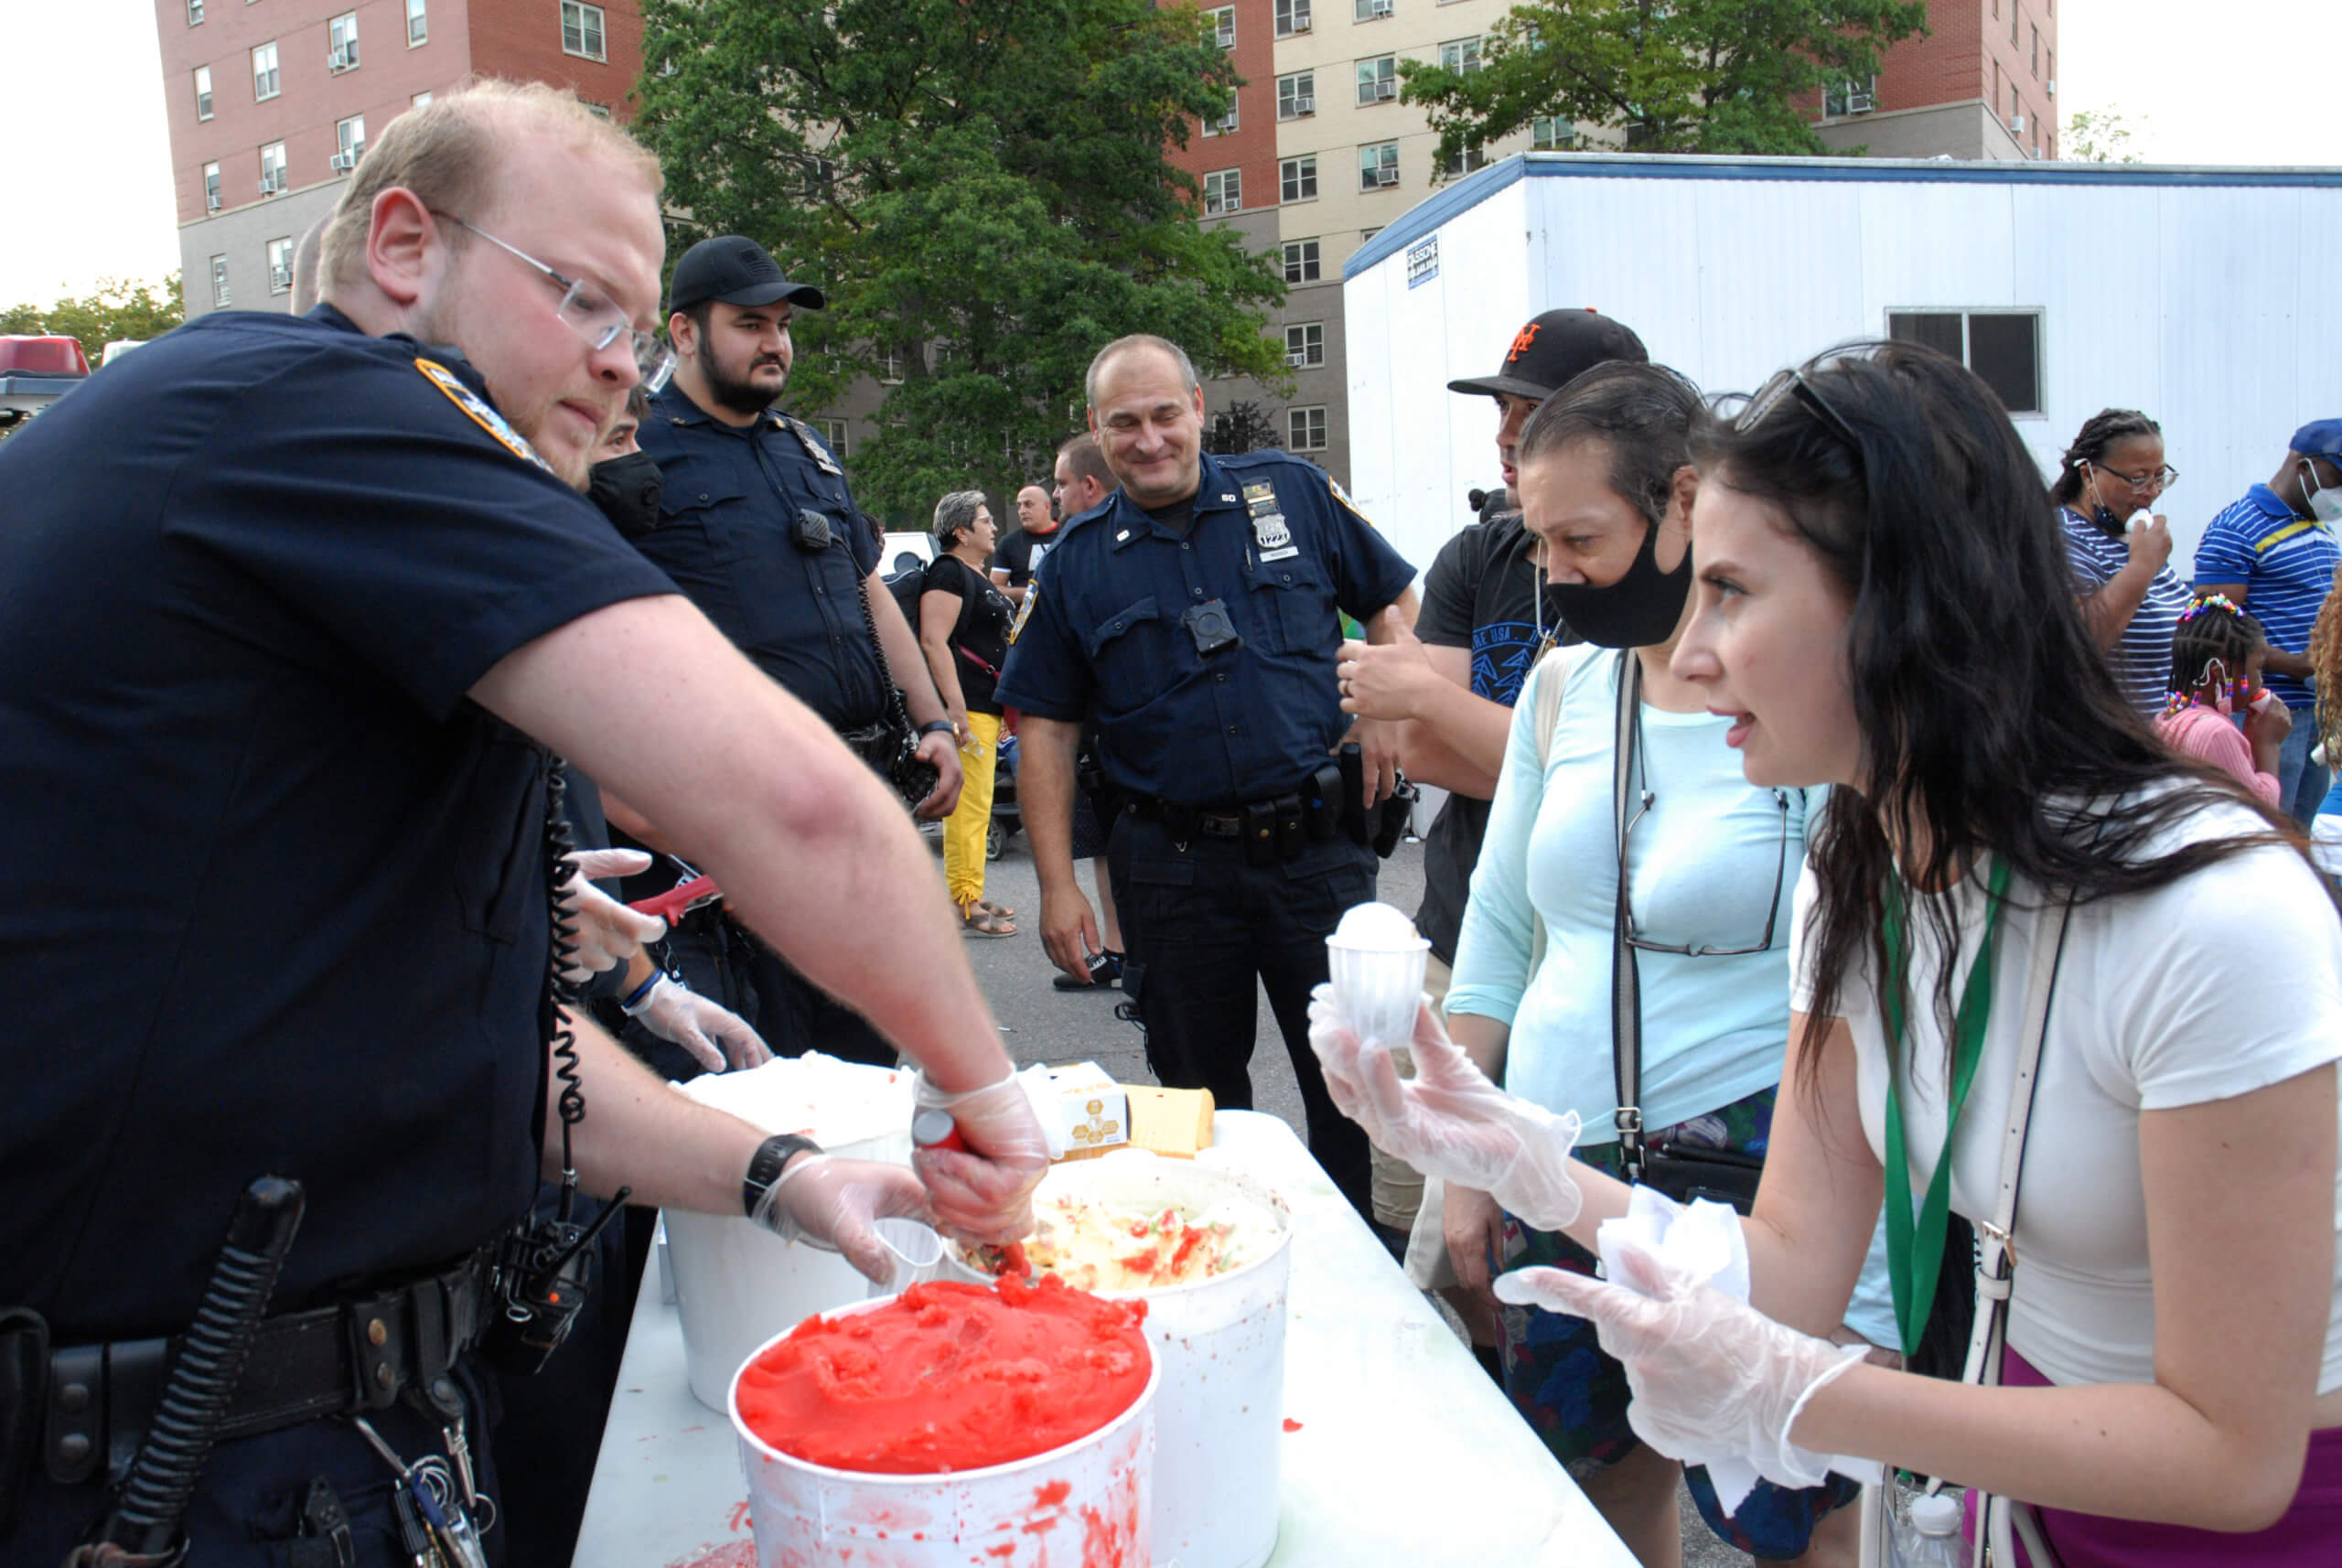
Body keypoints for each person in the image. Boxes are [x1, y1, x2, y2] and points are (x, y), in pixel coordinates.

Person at [0, 83, 1047, 1563]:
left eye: (638, 320)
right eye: (585, 301)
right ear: (407, 246)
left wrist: (780, 1173)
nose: (624, 365)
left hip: (283, 1435)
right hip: (182, 1469)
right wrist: (994, 1109)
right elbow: (803, 806)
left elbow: (484, 1065)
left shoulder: (279, 490)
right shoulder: (324, 407)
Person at [1313, 341, 2342, 1563]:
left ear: (1901, 601)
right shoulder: (1861, 861)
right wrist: (1534, 1168)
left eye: (1732, 593)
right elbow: (1794, 1264)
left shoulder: (2216, 915)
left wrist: (1806, 1394)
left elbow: (2234, 1454)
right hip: (2023, 1499)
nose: (1689, 659)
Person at [1428, 361, 1896, 1567]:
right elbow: (1496, 933)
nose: (1559, 575)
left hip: (1757, 1166)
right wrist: (1468, 1164)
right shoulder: (1561, 691)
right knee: (1596, 1498)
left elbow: (1867, 985)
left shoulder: (1803, 706)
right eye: (1539, 547)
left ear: (1683, 504)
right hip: (1562, 1160)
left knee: (1796, 1520)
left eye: (1582, 537)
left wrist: (1876, 1267)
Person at [995, 334, 1420, 1216]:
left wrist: (1386, 703)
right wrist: (1056, 886)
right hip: (1173, 873)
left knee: (1355, 1089)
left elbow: (1389, 598)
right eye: (1124, 424)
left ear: (1196, 405)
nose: (1148, 439)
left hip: (1317, 856)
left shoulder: (1292, 493)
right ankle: (1226, 1268)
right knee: (1197, 1110)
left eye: (1163, 415)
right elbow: (1045, 730)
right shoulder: (1074, 563)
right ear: (1095, 430)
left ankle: (1362, 1281)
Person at [1333, 306, 1646, 1273]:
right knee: (1424, 1217)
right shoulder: (1479, 554)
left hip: (1589, 971)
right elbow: (1422, 753)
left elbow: (1607, 786)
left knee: (1557, 1230)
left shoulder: (1650, 583)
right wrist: (1495, 741)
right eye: (1503, 409)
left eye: (1533, 409)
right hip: (1466, 925)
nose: (1509, 435)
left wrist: (1428, 693)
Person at [615, 232, 968, 1069]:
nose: (776, 343)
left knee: (867, 1066)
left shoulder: (807, 451)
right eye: (750, 324)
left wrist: (936, 721)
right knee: (756, 1086)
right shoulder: (632, 452)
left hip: (854, 804)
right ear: (685, 332)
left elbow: (868, 588)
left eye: (782, 325)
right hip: (730, 828)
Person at [2194, 419, 2342, 825]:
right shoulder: (2238, 527)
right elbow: (2212, 623)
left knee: (2303, 832)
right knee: (2269, 828)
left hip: (2316, 710)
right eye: (2338, 477)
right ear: (2303, 466)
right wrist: (2291, 664)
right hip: (2268, 711)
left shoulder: (2319, 527)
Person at [1039, 431, 1128, 991]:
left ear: (1089, 486)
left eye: (1061, 484)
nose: (1055, 495)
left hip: (1100, 732)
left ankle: (1119, 946)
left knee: (1108, 842)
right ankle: (1123, 945)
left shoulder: (1077, 548)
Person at [919, 489, 1019, 936]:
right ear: (961, 531)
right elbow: (934, 640)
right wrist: (955, 708)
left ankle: (969, 892)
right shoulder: (948, 571)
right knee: (969, 807)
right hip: (970, 706)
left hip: (986, 706)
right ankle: (964, 902)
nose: (994, 526)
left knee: (979, 804)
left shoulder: (971, 573)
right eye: (984, 520)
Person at [2047, 408, 2191, 715]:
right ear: (2088, 474)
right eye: (2138, 480)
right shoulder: (2062, 538)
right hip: (2113, 748)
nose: (2151, 492)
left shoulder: (2135, 539)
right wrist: (2141, 569)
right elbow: (2079, 644)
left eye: (2159, 477)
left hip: (2165, 742)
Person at [2155, 595, 2287, 805]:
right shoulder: (2217, 733)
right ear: (2220, 672)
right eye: (2258, 669)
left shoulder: (2166, 719)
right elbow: (2257, 812)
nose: (2260, 681)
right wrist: (2267, 744)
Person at [992, 479, 1059, 607]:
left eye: (1029, 504)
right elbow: (995, 589)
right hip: (1027, 620)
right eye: (1019, 505)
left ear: (1047, 506)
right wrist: (1031, 593)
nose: (1022, 511)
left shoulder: (1068, 536)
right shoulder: (1009, 543)